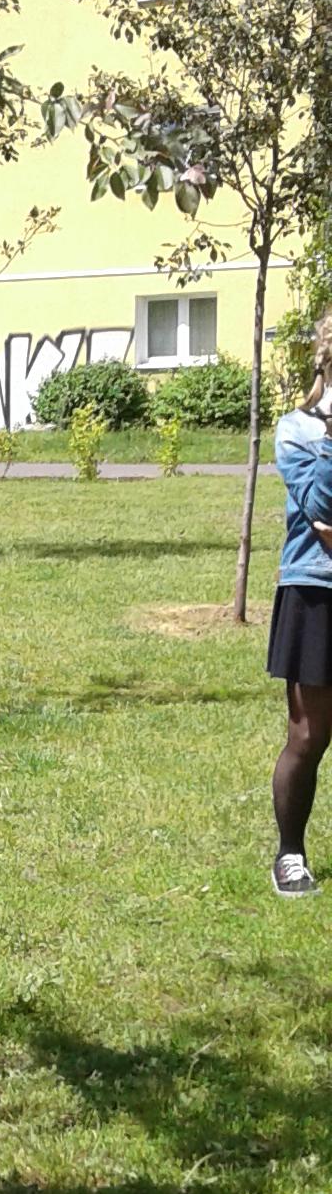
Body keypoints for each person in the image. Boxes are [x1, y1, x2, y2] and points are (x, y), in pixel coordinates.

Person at [268, 317, 332, 896]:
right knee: (310, 735)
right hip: (317, 589)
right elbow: (321, 509)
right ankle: (290, 854)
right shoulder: (296, 431)